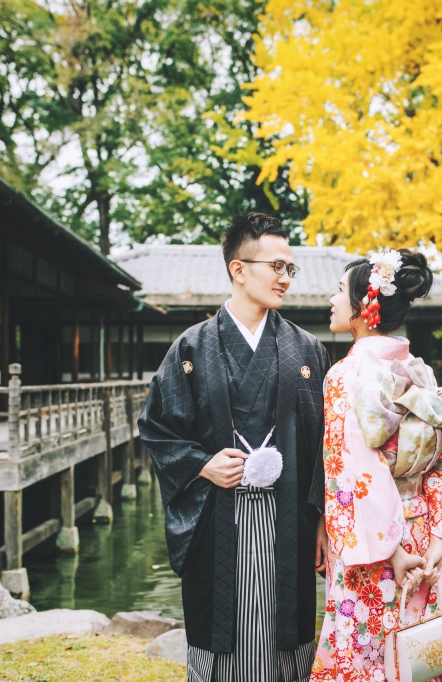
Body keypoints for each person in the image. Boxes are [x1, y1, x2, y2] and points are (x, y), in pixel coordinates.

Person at [138, 212, 330, 682]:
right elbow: (156, 427)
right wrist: (203, 464)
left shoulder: (307, 350)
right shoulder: (191, 347)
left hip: (291, 520)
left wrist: (325, 519)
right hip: (216, 516)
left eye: (290, 268)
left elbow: (327, 444)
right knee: (221, 637)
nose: (285, 278)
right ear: (238, 269)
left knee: (287, 641)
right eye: (276, 266)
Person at [310, 249, 442, 682]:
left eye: (339, 291)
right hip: (421, 535)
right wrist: (438, 534)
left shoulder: (345, 375)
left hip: (375, 545)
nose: (332, 299)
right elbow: (441, 458)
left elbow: (349, 472)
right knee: (418, 654)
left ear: (366, 306)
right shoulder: (420, 372)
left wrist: (391, 549)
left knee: (368, 655)